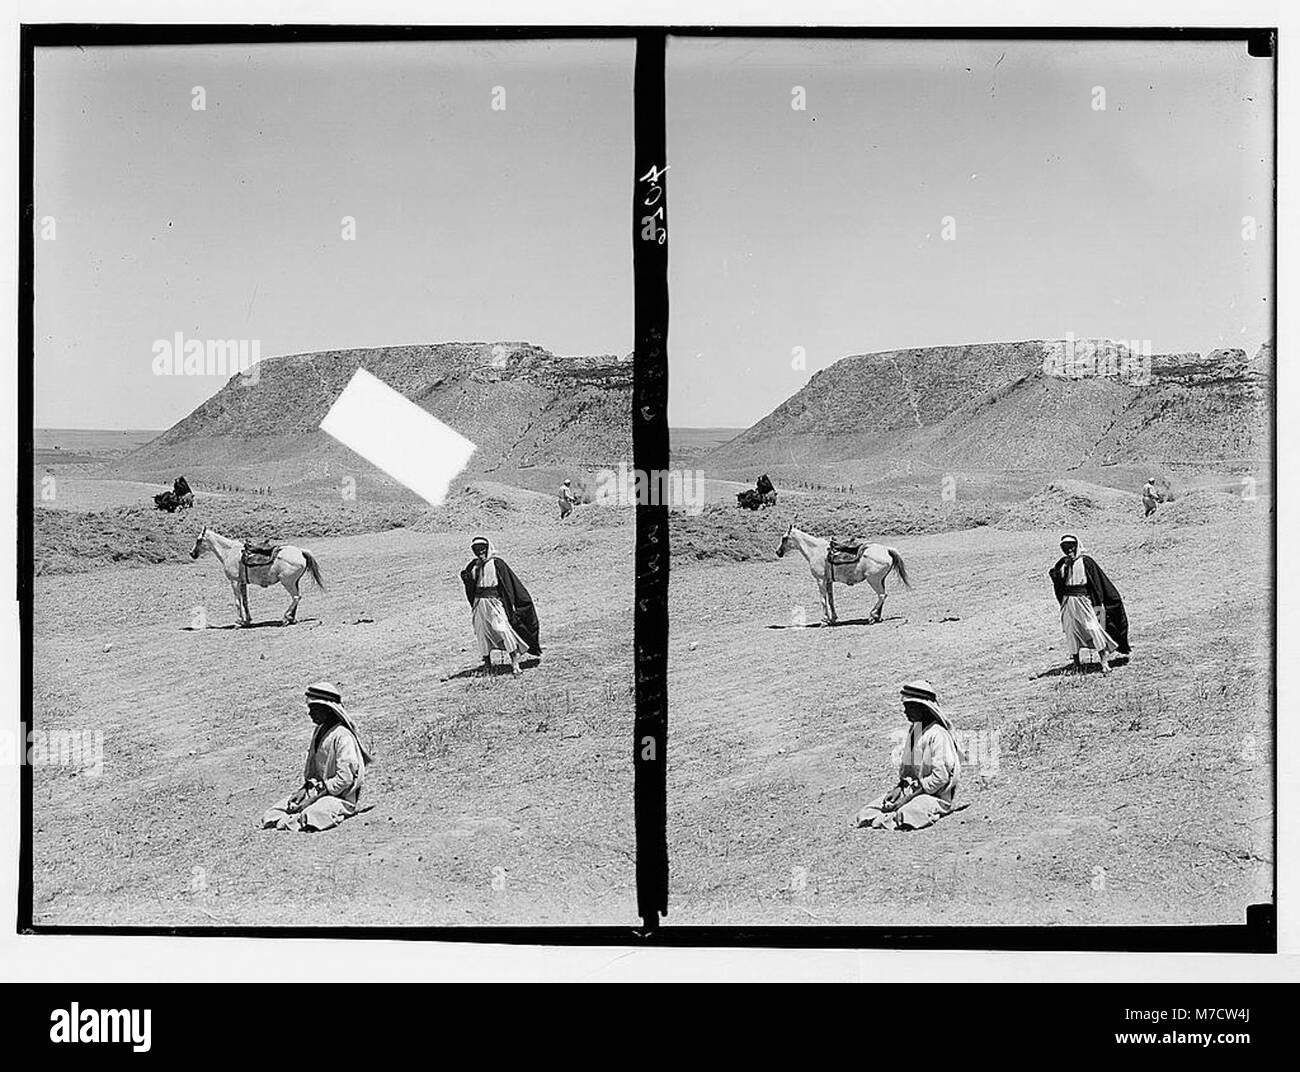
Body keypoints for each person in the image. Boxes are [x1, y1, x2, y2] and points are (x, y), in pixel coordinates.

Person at [261, 681, 373, 833]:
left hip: (338, 797)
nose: (310, 713)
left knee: (312, 814)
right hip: (318, 791)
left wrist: (312, 801)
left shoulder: (343, 736)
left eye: (314, 709)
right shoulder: (319, 731)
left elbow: (345, 779)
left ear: (327, 710)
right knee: (275, 812)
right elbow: (313, 772)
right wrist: (303, 791)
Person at [856, 680, 965, 831]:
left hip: (934, 796)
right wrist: (898, 789)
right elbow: (908, 770)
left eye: (910, 707)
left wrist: (907, 799)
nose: (905, 712)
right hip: (912, 791)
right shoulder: (914, 730)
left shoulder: (938, 734)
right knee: (867, 812)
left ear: (924, 708)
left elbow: (940, 778)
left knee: (907, 813)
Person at [1048, 533, 1130, 673]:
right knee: (1071, 631)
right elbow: (1056, 578)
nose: (1069, 550)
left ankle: (1104, 662)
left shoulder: (1086, 561)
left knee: (1093, 628)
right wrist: (1061, 570)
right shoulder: (1063, 563)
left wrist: (1100, 602)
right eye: (1066, 547)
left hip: (1084, 601)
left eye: (1071, 547)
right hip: (1069, 602)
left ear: (1077, 546)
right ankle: (1077, 664)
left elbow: (1098, 582)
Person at [460, 537, 542, 674]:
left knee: (503, 629)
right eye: (476, 550)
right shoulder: (474, 565)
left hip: (494, 603)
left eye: (482, 549)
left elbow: (510, 584)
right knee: (482, 633)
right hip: (479, 604)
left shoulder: (498, 563)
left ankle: (515, 662)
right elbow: (469, 583)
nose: (480, 552)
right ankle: (487, 664)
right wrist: (468, 576)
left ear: (487, 548)